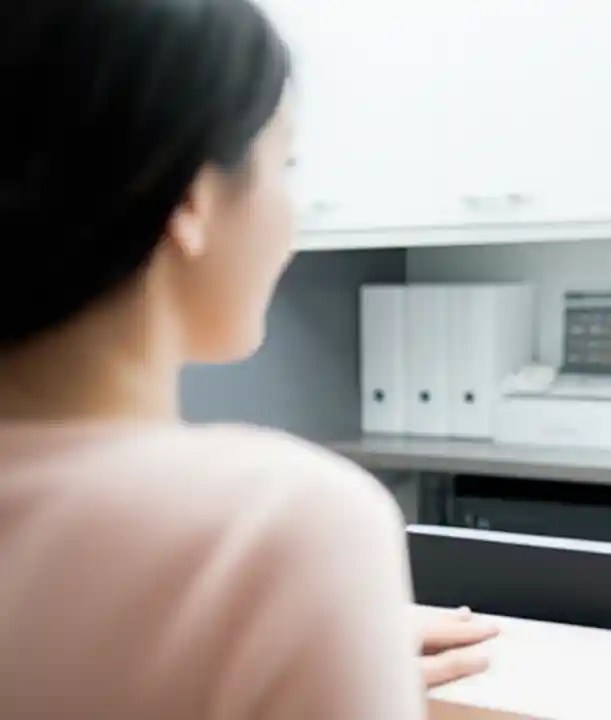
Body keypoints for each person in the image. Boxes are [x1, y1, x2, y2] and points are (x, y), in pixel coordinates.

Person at [0, 1, 495, 717]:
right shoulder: (284, 525)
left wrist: (318, 649)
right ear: (192, 200)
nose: (294, 215)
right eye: (284, 164)